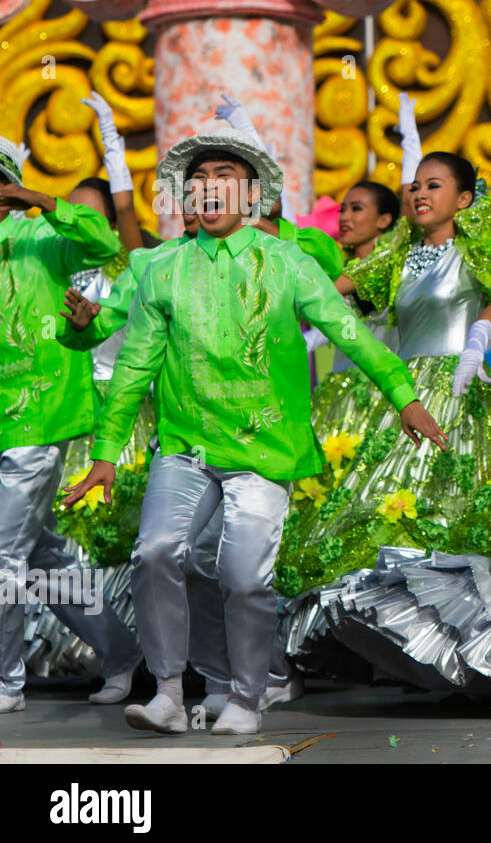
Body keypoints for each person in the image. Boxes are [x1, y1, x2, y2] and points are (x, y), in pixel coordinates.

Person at [62, 129, 446, 735]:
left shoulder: (289, 261)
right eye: (200, 179)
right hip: (185, 444)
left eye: (224, 178)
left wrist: (404, 396)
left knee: (243, 576)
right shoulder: (160, 268)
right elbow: (135, 363)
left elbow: (350, 334)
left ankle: (245, 694)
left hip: (264, 448)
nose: (210, 188)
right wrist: (107, 453)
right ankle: (166, 691)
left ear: (251, 193)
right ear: (188, 196)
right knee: (157, 551)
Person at [0, 136, 142, 713]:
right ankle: (121, 651)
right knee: (43, 559)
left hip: (39, 414)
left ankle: (6, 681)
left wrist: (35, 198)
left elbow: (103, 240)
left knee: (4, 554)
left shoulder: (42, 238)